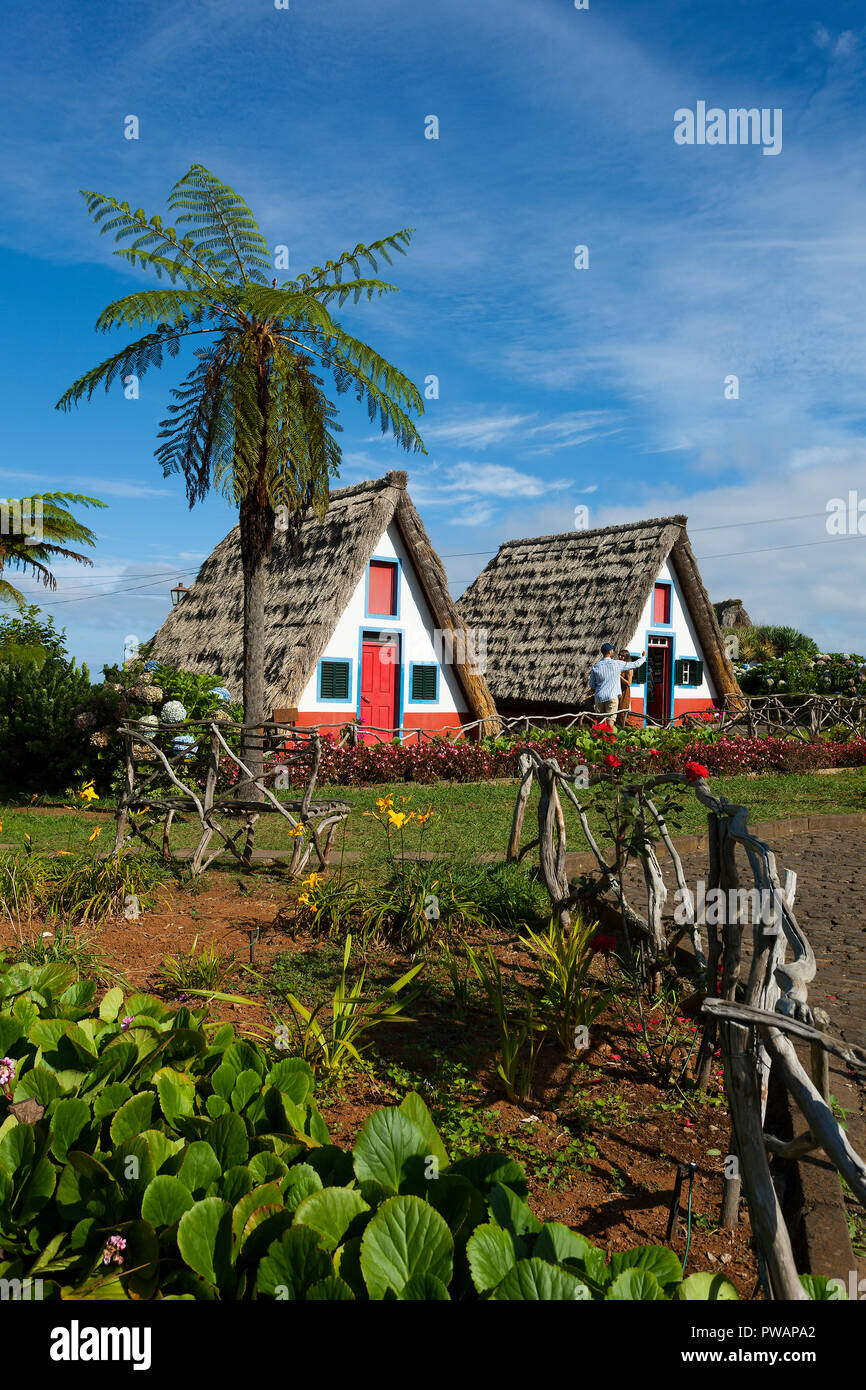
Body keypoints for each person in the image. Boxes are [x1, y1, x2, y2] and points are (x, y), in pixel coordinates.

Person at [589, 642, 645, 719]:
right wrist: (643, 657)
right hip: (612, 695)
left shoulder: (596, 666)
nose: (613, 651)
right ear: (609, 652)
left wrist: (601, 686)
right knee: (610, 720)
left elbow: (592, 685)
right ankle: (609, 731)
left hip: (599, 697)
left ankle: (600, 731)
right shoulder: (617, 664)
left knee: (600, 721)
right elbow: (636, 664)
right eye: (612, 650)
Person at [617, 648, 636, 726]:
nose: (621, 657)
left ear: (627, 657)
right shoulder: (619, 665)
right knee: (616, 713)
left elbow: (629, 683)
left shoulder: (629, 668)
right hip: (617, 690)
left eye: (623, 656)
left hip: (624, 691)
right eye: (620, 655)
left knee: (622, 713)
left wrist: (619, 676)